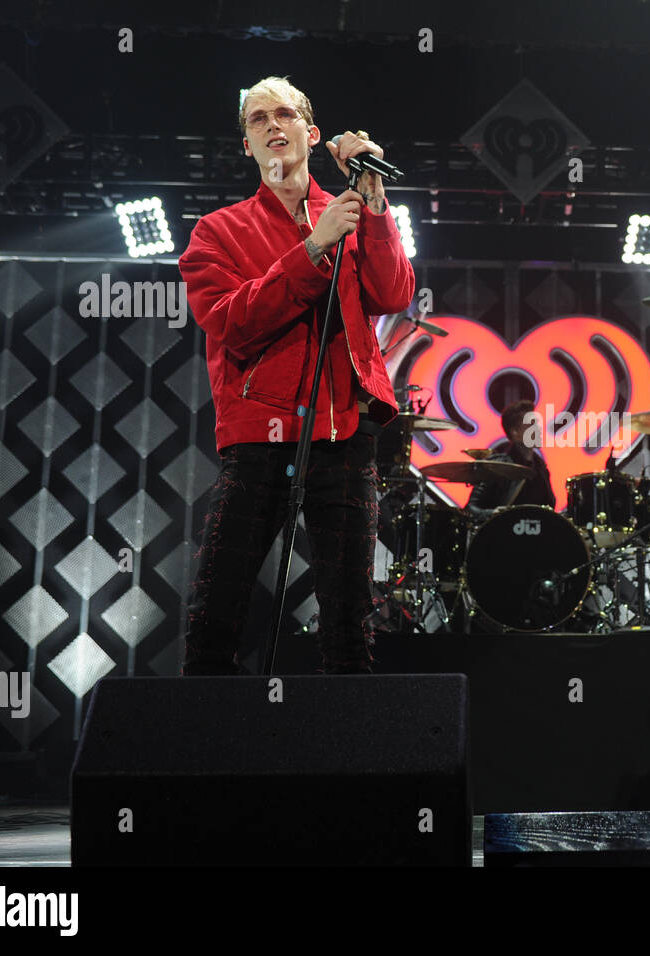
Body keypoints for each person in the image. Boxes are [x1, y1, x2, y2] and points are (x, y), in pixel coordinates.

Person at [178, 76, 415, 674]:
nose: (273, 126)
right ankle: (203, 758)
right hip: (262, 436)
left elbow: (393, 293)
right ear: (248, 145)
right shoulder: (217, 231)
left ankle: (348, 762)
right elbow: (231, 322)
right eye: (258, 120)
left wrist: (374, 197)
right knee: (216, 615)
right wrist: (312, 250)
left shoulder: (352, 212)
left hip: (345, 433)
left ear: (312, 135)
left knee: (347, 624)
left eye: (285, 115)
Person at [466, 400, 556, 515]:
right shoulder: (495, 466)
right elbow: (470, 509)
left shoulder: (541, 467)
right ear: (515, 432)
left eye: (538, 423)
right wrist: (493, 513)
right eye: (532, 424)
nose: (538, 428)